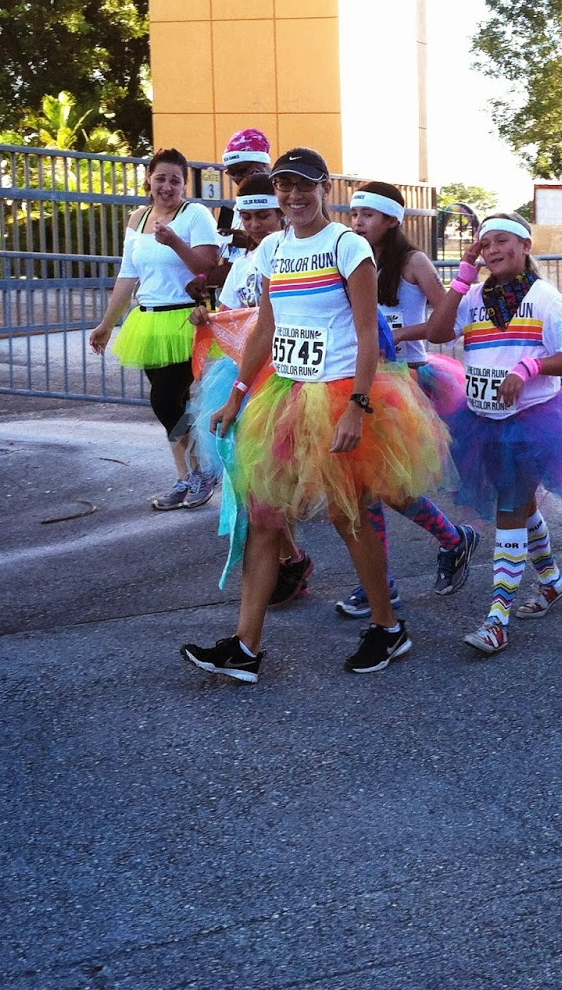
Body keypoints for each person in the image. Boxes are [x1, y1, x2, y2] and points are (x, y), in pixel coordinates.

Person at [180, 147, 450, 682]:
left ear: (326, 187)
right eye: (284, 186)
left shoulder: (347, 246)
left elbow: (371, 332)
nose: (294, 195)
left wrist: (358, 405)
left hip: (340, 393)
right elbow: (266, 327)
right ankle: (245, 647)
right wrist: (237, 392)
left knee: (349, 516)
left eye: (304, 185)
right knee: (263, 517)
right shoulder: (273, 249)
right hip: (285, 394)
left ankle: (387, 626)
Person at [427, 212, 562, 654]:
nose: (493, 250)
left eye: (503, 241)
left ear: (525, 246)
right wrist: (461, 277)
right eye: (485, 243)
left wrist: (529, 366)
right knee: (514, 505)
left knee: (510, 511)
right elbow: (439, 331)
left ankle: (497, 618)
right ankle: (552, 580)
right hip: (482, 421)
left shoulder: (545, 299)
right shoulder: (475, 295)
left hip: (532, 422)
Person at [343, 182, 481, 616]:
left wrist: (400, 333)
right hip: (362, 378)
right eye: (355, 214)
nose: (359, 222)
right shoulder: (350, 255)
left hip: (406, 381)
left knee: (385, 485)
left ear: (391, 220)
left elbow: (448, 322)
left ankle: (448, 542)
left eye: (368, 215)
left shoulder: (412, 262)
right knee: (367, 486)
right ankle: (386, 578)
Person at [189, 175, 314, 608]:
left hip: (283, 378)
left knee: (278, 478)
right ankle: (288, 560)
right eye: (249, 216)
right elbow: (230, 314)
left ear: (280, 214)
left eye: (264, 215)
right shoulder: (243, 262)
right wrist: (208, 321)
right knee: (256, 480)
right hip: (244, 376)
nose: (256, 223)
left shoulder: (296, 253)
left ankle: (292, 562)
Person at [90, 147, 222, 511]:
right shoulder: (138, 217)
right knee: (172, 405)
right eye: (160, 178)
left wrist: (175, 241)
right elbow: (127, 275)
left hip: (184, 320)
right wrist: (106, 323)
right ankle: (188, 477)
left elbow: (208, 267)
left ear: (184, 185)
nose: (167, 186)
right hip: (146, 320)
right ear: (149, 178)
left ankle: (203, 471)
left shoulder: (195, 215)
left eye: (175, 180)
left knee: (164, 400)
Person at [190, 128, 273, 305]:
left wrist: (250, 241)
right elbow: (230, 267)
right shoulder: (231, 213)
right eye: (231, 172)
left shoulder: (285, 205)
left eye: (242, 170)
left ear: (263, 166)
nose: (237, 178)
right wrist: (204, 278)